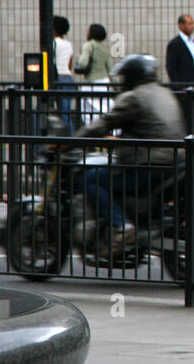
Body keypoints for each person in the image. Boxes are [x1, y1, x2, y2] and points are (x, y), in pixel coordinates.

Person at [75, 53, 186, 258]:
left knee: (89, 179)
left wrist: (74, 139)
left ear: (132, 77)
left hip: (147, 164)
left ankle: (121, 226)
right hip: (174, 162)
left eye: (124, 78)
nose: (122, 83)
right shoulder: (165, 93)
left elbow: (105, 122)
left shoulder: (134, 96)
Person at [74, 23, 113, 124]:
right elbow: (110, 69)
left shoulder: (89, 45)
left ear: (91, 33)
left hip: (91, 82)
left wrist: (78, 62)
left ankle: (93, 130)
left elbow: (83, 63)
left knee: (88, 110)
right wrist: (115, 84)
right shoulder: (105, 48)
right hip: (104, 82)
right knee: (105, 107)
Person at [166, 14, 194, 87]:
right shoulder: (175, 44)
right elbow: (171, 69)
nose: (192, 26)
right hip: (185, 88)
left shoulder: (193, 42)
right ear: (181, 25)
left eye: (193, 23)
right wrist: (179, 87)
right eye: (189, 24)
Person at [52, 15, 76, 129]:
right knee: (66, 113)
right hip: (68, 79)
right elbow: (69, 65)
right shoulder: (68, 44)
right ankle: (70, 141)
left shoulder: (52, 43)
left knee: (45, 111)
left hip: (57, 79)